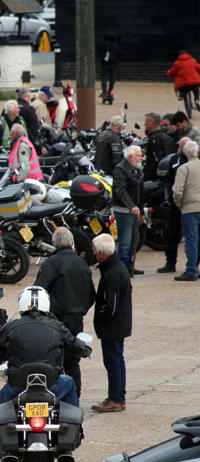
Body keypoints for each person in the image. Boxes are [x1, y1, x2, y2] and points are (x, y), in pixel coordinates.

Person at [0, 286, 91, 462]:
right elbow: (76, 346)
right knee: (69, 382)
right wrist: (85, 349)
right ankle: (68, 438)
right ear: (46, 304)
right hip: (51, 386)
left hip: (17, 387)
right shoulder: (56, 326)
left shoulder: (11, 326)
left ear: (22, 304)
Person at [34, 227, 96, 399]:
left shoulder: (51, 263)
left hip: (55, 320)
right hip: (76, 319)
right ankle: (75, 396)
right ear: (72, 243)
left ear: (54, 243)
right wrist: (80, 310)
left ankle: (57, 396)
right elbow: (92, 294)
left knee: (54, 360)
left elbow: (39, 290)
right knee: (73, 360)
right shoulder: (82, 263)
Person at [91, 234, 131, 413]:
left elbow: (110, 306)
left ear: (101, 253)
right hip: (118, 325)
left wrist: (100, 315)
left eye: (94, 251)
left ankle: (116, 398)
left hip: (112, 327)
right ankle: (118, 396)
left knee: (113, 361)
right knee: (117, 360)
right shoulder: (117, 267)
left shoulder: (112, 273)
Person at [159, 137, 194, 273]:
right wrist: (172, 198)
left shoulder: (195, 163)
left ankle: (193, 265)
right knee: (172, 233)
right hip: (176, 203)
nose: (181, 148)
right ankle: (170, 262)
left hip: (190, 204)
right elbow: (169, 181)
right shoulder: (174, 160)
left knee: (193, 235)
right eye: (181, 145)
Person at [111, 145, 144, 274]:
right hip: (123, 210)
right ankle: (123, 268)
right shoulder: (120, 169)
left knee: (133, 240)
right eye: (138, 155)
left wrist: (140, 210)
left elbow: (140, 191)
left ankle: (129, 265)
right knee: (125, 240)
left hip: (134, 210)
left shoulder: (138, 169)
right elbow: (120, 190)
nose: (141, 157)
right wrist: (132, 206)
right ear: (130, 157)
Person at [172, 140, 200, 281]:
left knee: (192, 240)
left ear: (184, 152)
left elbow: (177, 191)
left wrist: (180, 204)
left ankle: (191, 270)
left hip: (190, 207)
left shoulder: (184, 168)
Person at [143, 112, 175, 181]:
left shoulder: (155, 138)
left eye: (146, 122)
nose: (144, 124)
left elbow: (157, 159)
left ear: (151, 123)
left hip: (155, 178)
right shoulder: (165, 136)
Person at [167, 51, 200, 119]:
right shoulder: (193, 60)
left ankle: (180, 95)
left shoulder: (177, 63)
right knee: (196, 89)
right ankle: (197, 100)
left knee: (181, 88)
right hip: (194, 81)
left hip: (183, 84)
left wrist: (168, 73)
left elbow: (171, 73)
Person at [17, 88, 43, 152]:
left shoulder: (10, 106)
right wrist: (37, 144)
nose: (30, 99)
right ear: (25, 97)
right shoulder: (29, 109)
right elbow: (34, 128)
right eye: (29, 97)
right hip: (26, 142)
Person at [100, 33, 121, 103]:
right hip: (113, 64)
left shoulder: (104, 44)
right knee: (112, 78)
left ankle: (104, 91)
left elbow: (99, 51)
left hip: (105, 64)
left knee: (104, 78)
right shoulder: (116, 45)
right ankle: (110, 91)